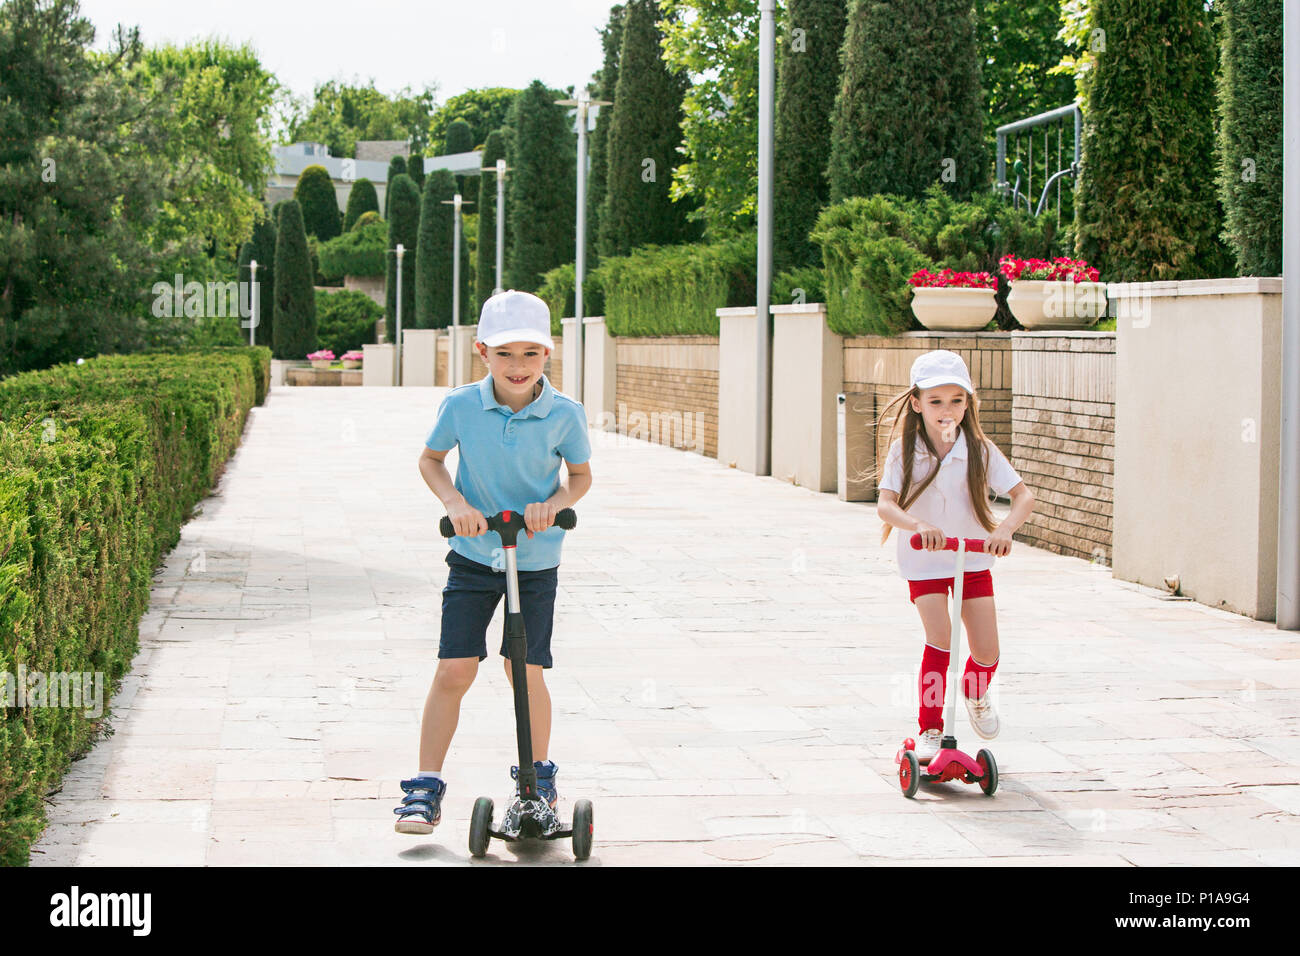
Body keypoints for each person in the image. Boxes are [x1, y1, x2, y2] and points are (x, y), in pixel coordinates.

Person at [393, 290, 593, 834]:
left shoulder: (565, 414)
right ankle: (425, 787)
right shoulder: (461, 405)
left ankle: (538, 780)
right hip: (473, 556)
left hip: (535, 560)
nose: (518, 366)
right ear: (482, 352)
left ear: (547, 355)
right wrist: (455, 505)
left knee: (523, 670)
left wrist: (554, 506)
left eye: (530, 353)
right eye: (505, 354)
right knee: (455, 668)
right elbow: (431, 460)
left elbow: (580, 477)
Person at [874, 350, 1035, 763]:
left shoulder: (978, 449)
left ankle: (976, 693)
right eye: (936, 402)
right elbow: (886, 505)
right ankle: (930, 726)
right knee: (940, 642)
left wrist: (1004, 529)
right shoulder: (903, 451)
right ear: (916, 403)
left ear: (969, 402)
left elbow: (1022, 496)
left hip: (972, 559)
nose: (947, 411)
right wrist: (917, 526)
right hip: (926, 562)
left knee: (985, 651)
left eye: (957, 400)